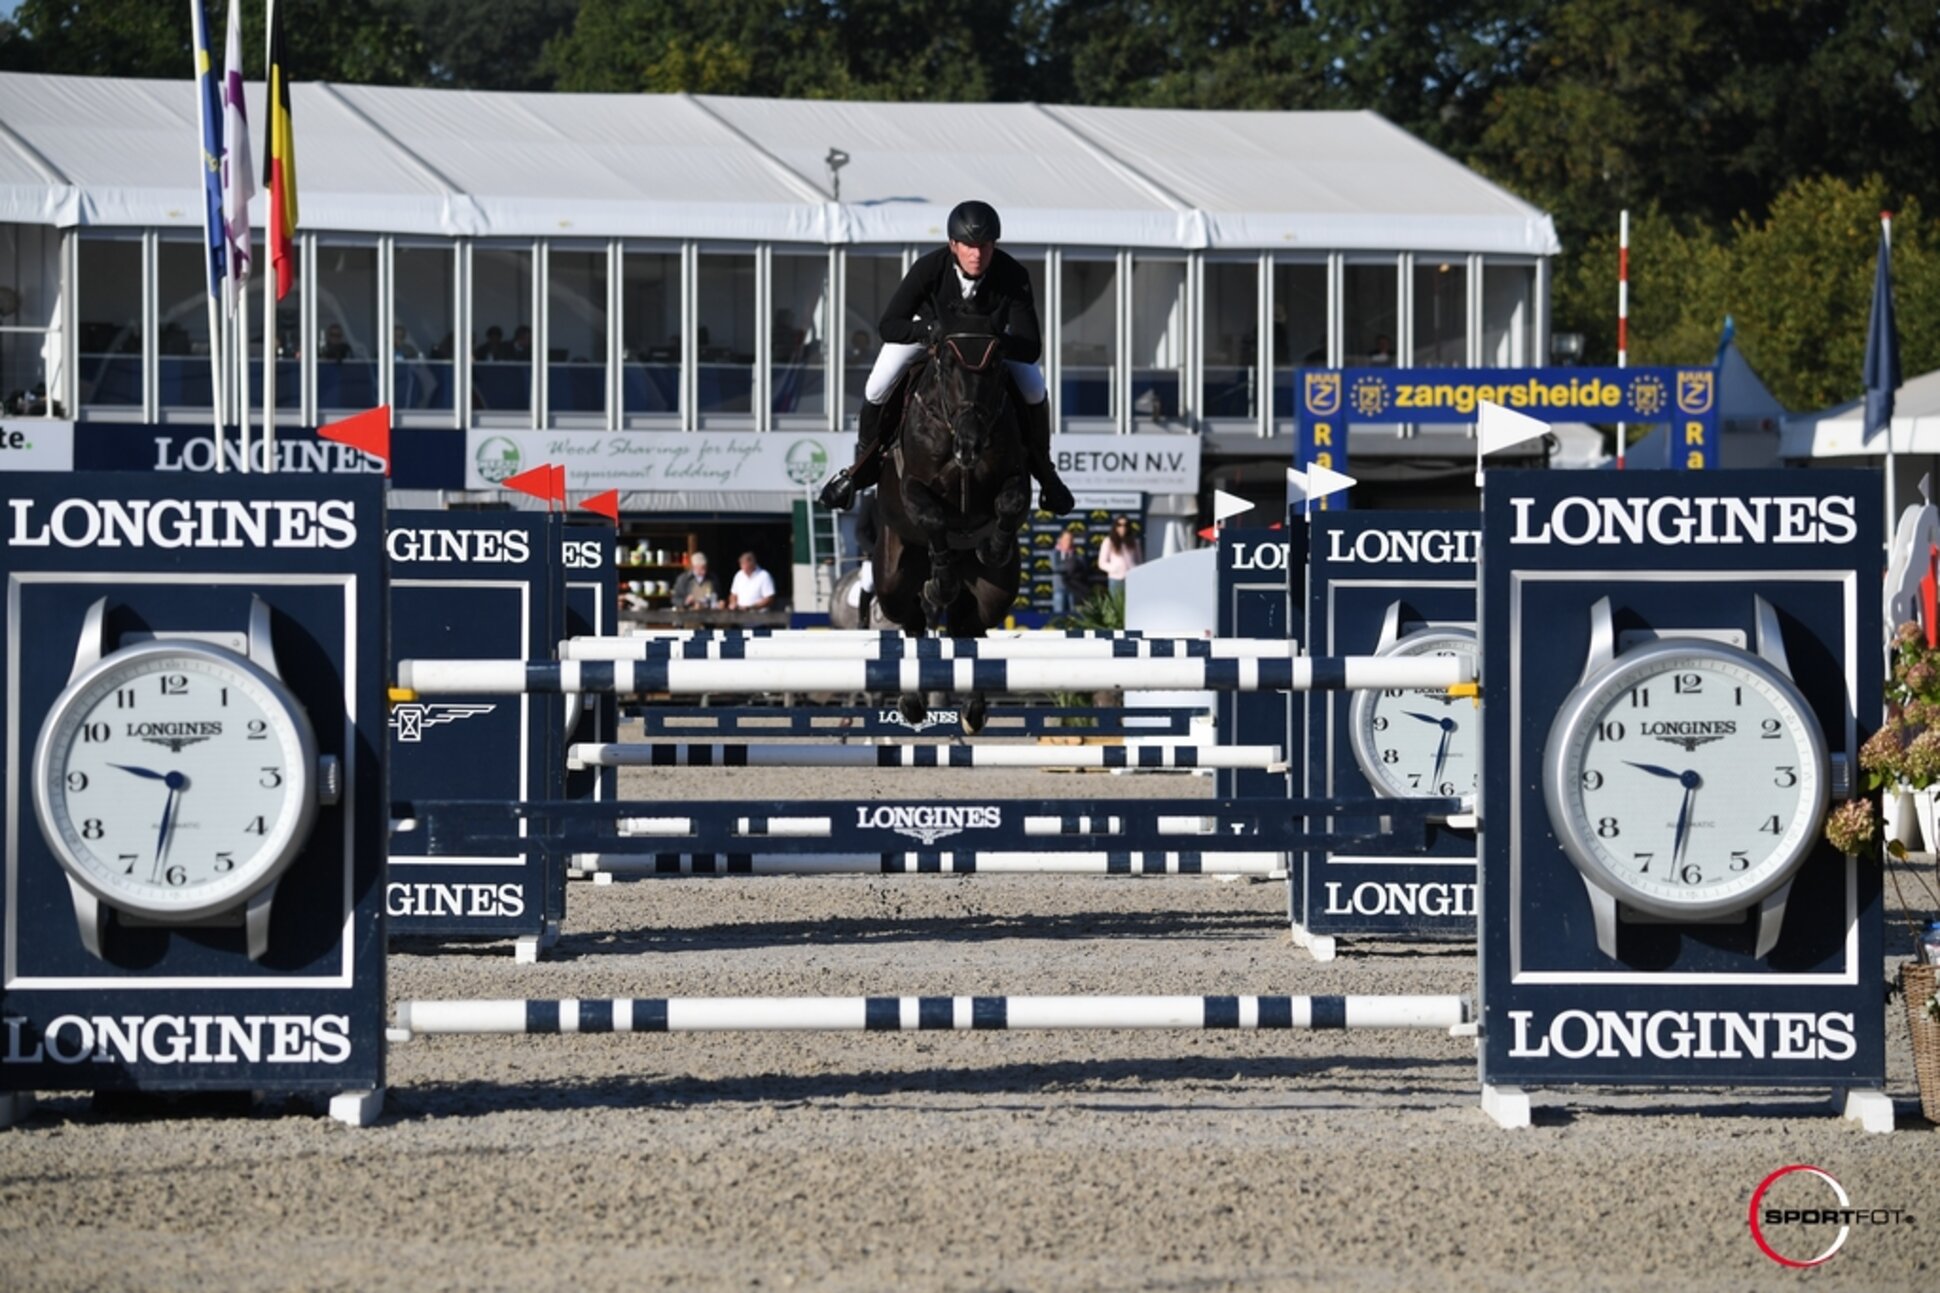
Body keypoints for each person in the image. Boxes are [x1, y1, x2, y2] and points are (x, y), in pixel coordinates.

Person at [819, 199, 1074, 517]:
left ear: (994, 245)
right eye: (969, 245)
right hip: (929, 340)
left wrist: (991, 343)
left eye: (984, 246)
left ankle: (1046, 475)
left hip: (987, 349)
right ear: (954, 245)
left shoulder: (1013, 274)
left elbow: (1030, 345)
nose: (977, 254)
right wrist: (927, 331)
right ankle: (863, 467)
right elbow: (889, 324)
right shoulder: (929, 268)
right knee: (876, 387)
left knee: (1035, 389)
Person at [1096, 516, 1141, 597]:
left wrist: (1134, 569)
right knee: (1116, 606)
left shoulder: (1135, 542)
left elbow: (1139, 560)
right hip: (1116, 579)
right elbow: (1101, 563)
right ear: (1115, 527)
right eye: (1119, 525)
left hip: (1132, 579)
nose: (1123, 527)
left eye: (1125, 525)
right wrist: (1115, 568)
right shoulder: (1108, 541)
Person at [1049, 529, 1086, 615]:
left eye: (1070, 539)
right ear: (1060, 540)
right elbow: (1055, 567)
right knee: (1058, 614)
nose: (1068, 541)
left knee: (1073, 613)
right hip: (1059, 588)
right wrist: (1071, 564)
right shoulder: (1054, 553)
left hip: (1073, 588)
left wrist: (1072, 564)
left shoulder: (1077, 553)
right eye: (1066, 539)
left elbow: (1082, 567)